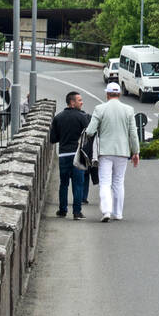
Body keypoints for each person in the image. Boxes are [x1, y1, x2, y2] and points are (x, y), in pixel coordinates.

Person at [85, 82, 140, 223]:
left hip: (105, 151)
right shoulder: (128, 110)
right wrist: (136, 152)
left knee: (105, 182)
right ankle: (118, 213)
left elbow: (90, 131)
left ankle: (106, 211)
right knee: (118, 182)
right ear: (119, 94)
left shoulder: (100, 109)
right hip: (122, 151)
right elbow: (133, 134)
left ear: (107, 94)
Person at [49, 91, 91, 220]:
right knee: (78, 184)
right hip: (77, 155)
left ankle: (62, 210)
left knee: (64, 183)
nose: (82, 102)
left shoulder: (58, 117)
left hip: (63, 155)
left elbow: (53, 139)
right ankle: (77, 212)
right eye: (79, 100)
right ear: (72, 102)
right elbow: (88, 135)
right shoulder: (82, 117)